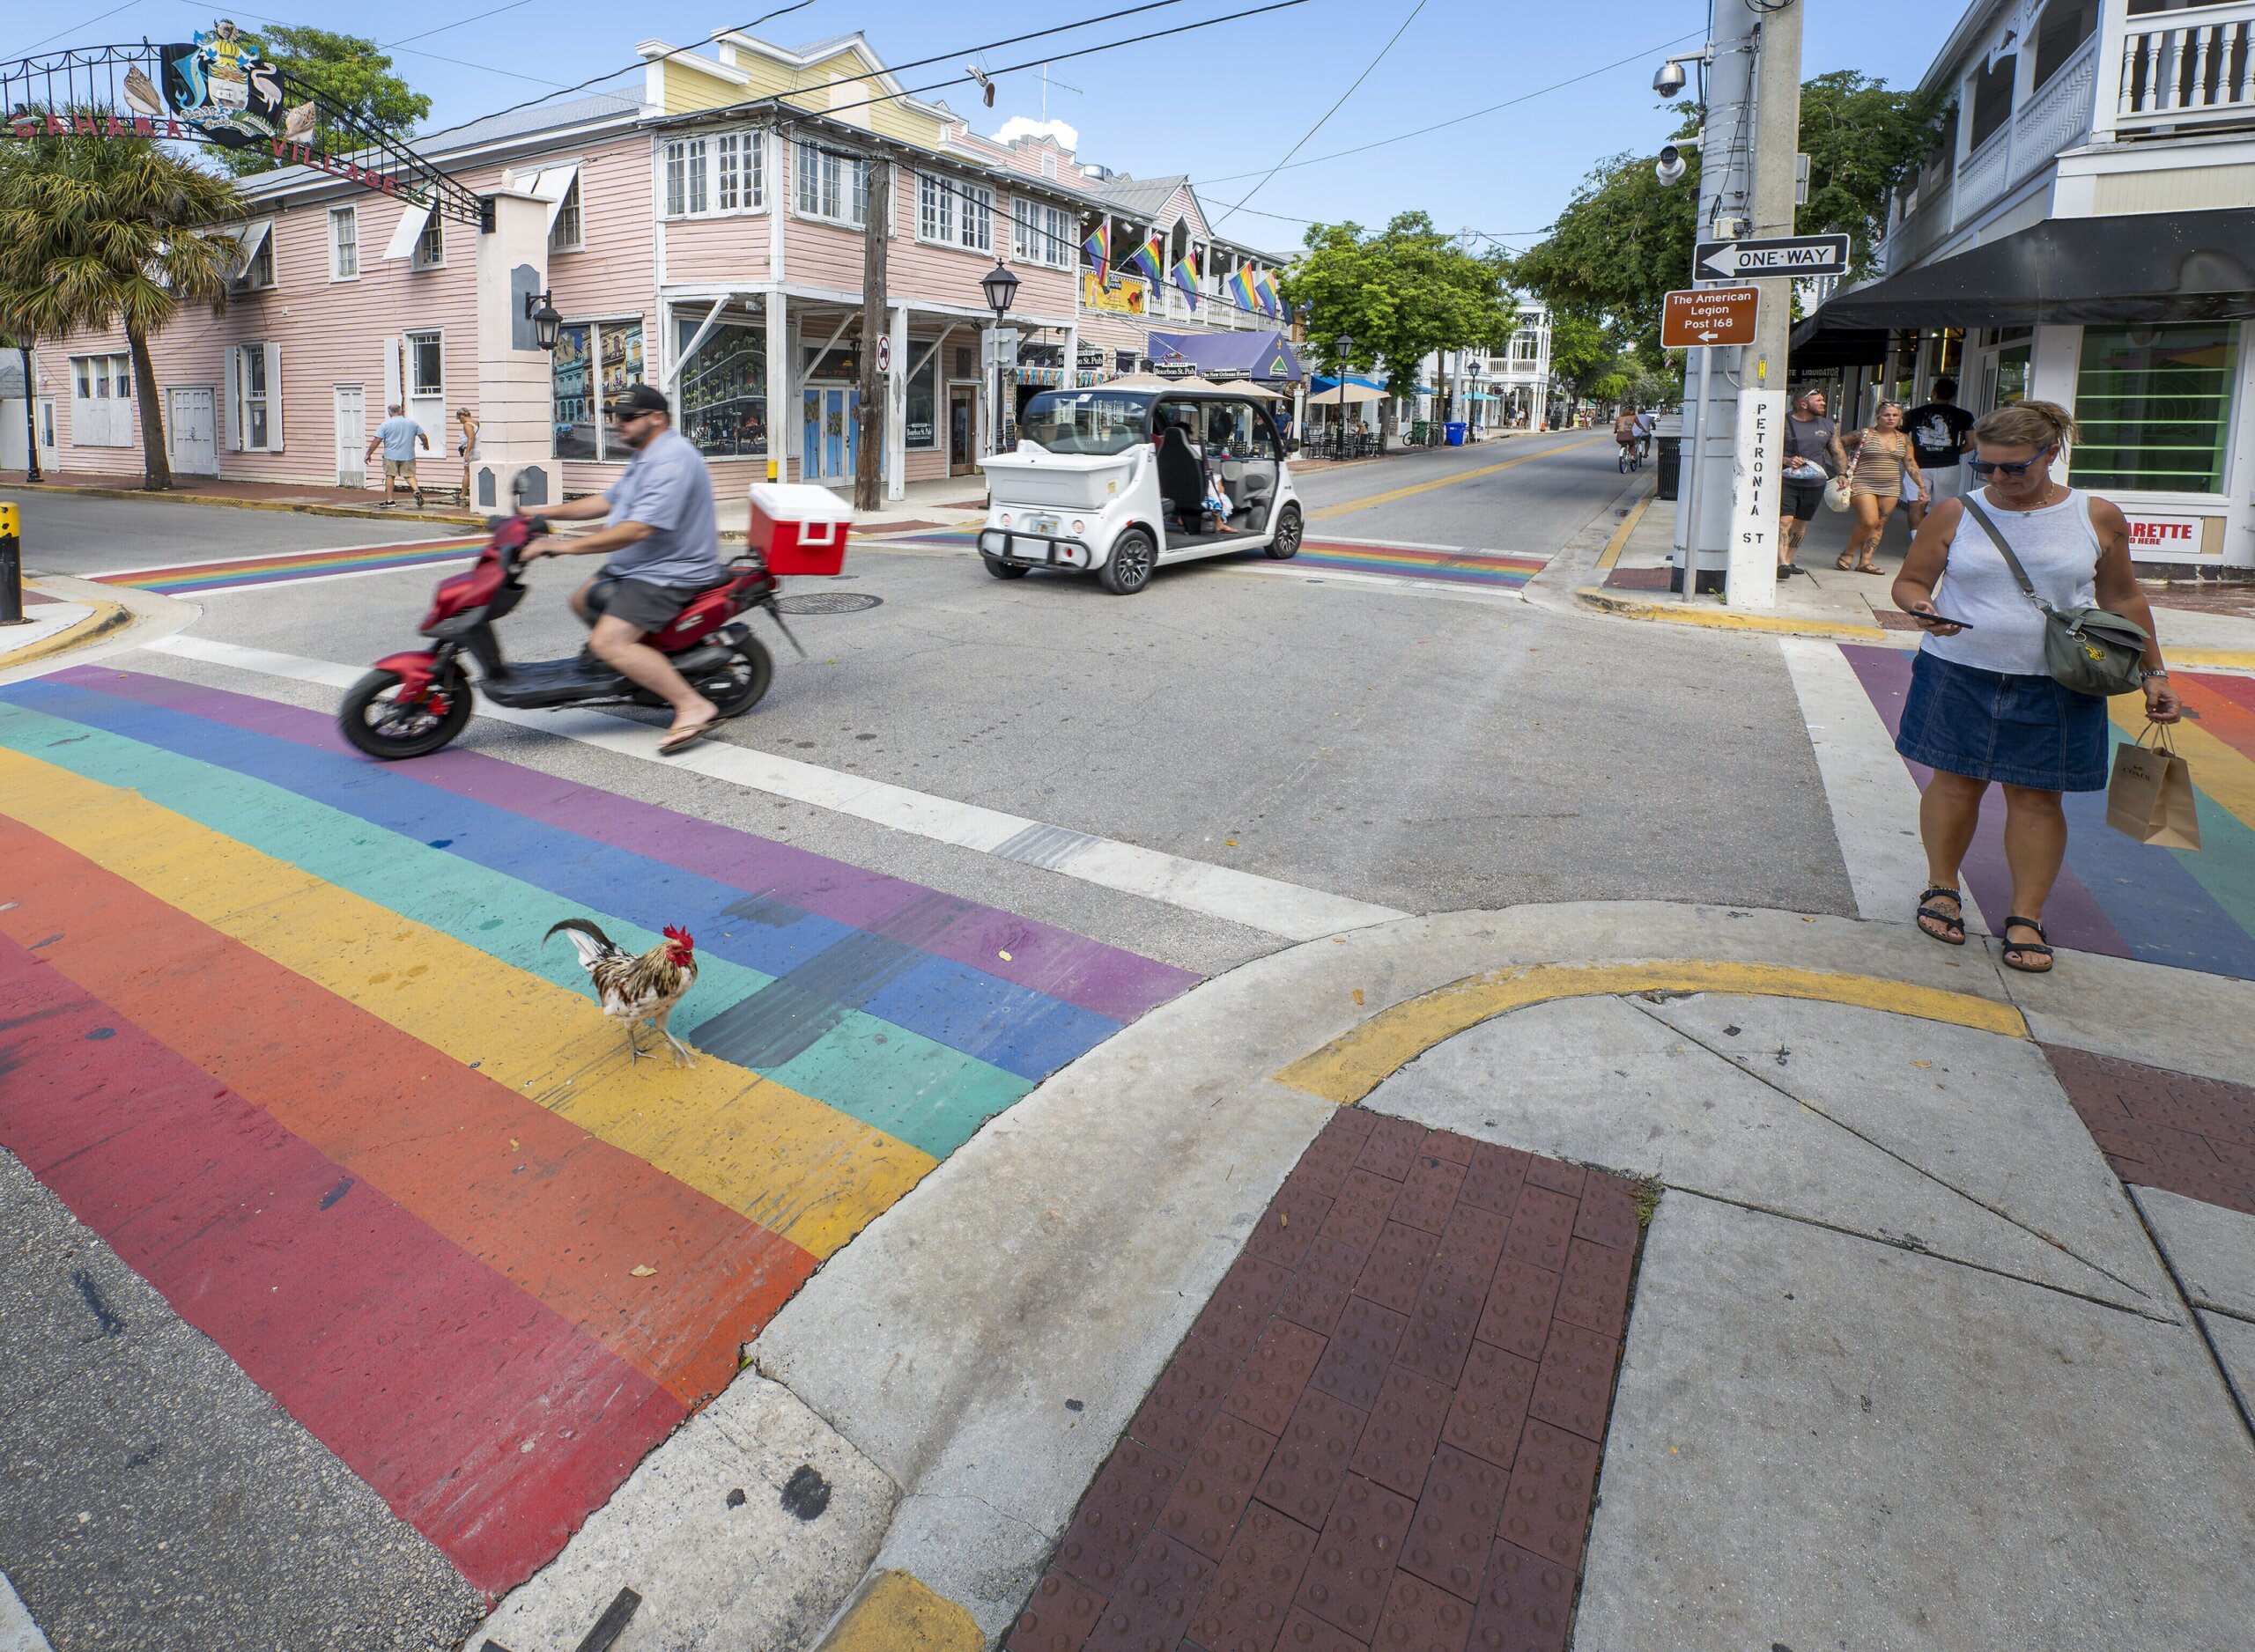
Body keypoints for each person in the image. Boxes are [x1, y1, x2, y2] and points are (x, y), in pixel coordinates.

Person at [1890, 399, 2181, 976]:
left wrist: (2155, 671)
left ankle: (2027, 915)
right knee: (1954, 785)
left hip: (2059, 682)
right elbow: (1911, 582)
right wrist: (1922, 609)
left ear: (2051, 454)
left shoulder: (2094, 516)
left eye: (2014, 468)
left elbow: (2123, 599)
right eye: (1986, 467)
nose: (1999, 479)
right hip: (1958, 671)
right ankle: (1941, 887)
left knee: (2036, 797)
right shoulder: (1955, 513)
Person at [521, 384, 726, 755]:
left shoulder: (672, 460)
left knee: (607, 642)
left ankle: (692, 705)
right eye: (617, 418)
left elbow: (639, 528)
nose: (619, 424)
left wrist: (562, 547)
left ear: (657, 418)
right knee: (582, 600)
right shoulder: (646, 456)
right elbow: (605, 501)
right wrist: (541, 512)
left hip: (667, 572)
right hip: (640, 567)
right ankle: (640, 668)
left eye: (628, 418)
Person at [1838, 401, 1922, 574]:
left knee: (1880, 523)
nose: (1891, 418)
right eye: (1887, 415)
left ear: (1900, 418)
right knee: (1869, 520)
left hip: (1890, 485)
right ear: (1878, 417)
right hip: (1863, 482)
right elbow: (1837, 444)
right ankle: (1848, 552)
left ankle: (1865, 562)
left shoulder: (1904, 439)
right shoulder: (1864, 434)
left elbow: (1910, 463)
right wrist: (1842, 469)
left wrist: (1921, 486)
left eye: (1895, 415)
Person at [1777, 388, 1846, 579]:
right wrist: (1786, 460)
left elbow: (1837, 451)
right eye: (1819, 400)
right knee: (1785, 521)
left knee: (1800, 524)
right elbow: (1767, 449)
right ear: (1803, 404)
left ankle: (1788, 561)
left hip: (1815, 483)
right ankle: (1780, 562)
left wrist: (1842, 474)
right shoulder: (1783, 422)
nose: (1824, 403)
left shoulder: (1828, 425)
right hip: (1787, 480)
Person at [1904, 376, 1973, 533]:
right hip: (1949, 466)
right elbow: (1971, 443)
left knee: (1916, 504)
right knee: (1944, 508)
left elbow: (1900, 439)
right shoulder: (1964, 415)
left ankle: (1917, 545)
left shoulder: (1913, 414)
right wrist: (1954, 452)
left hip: (1918, 466)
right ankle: (1938, 545)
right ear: (1953, 396)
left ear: (1933, 392)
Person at [366, 403, 428, 509]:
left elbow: (377, 440)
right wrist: (426, 445)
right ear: (400, 411)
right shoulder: (412, 423)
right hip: (408, 454)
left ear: (389, 412)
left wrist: (368, 454)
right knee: (409, 475)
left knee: (390, 475)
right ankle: (416, 490)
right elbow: (423, 436)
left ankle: (390, 500)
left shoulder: (385, 424)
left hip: (391, 455)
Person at [454, 407, 481, 498]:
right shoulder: (476, 422)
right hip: (480, 450)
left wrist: (467, 453)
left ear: (462, 416)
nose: (459, 421)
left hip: (473, 451)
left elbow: (471, 438)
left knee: (467, 473)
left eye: (459, 419)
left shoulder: (467, 425)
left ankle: (462, 494)